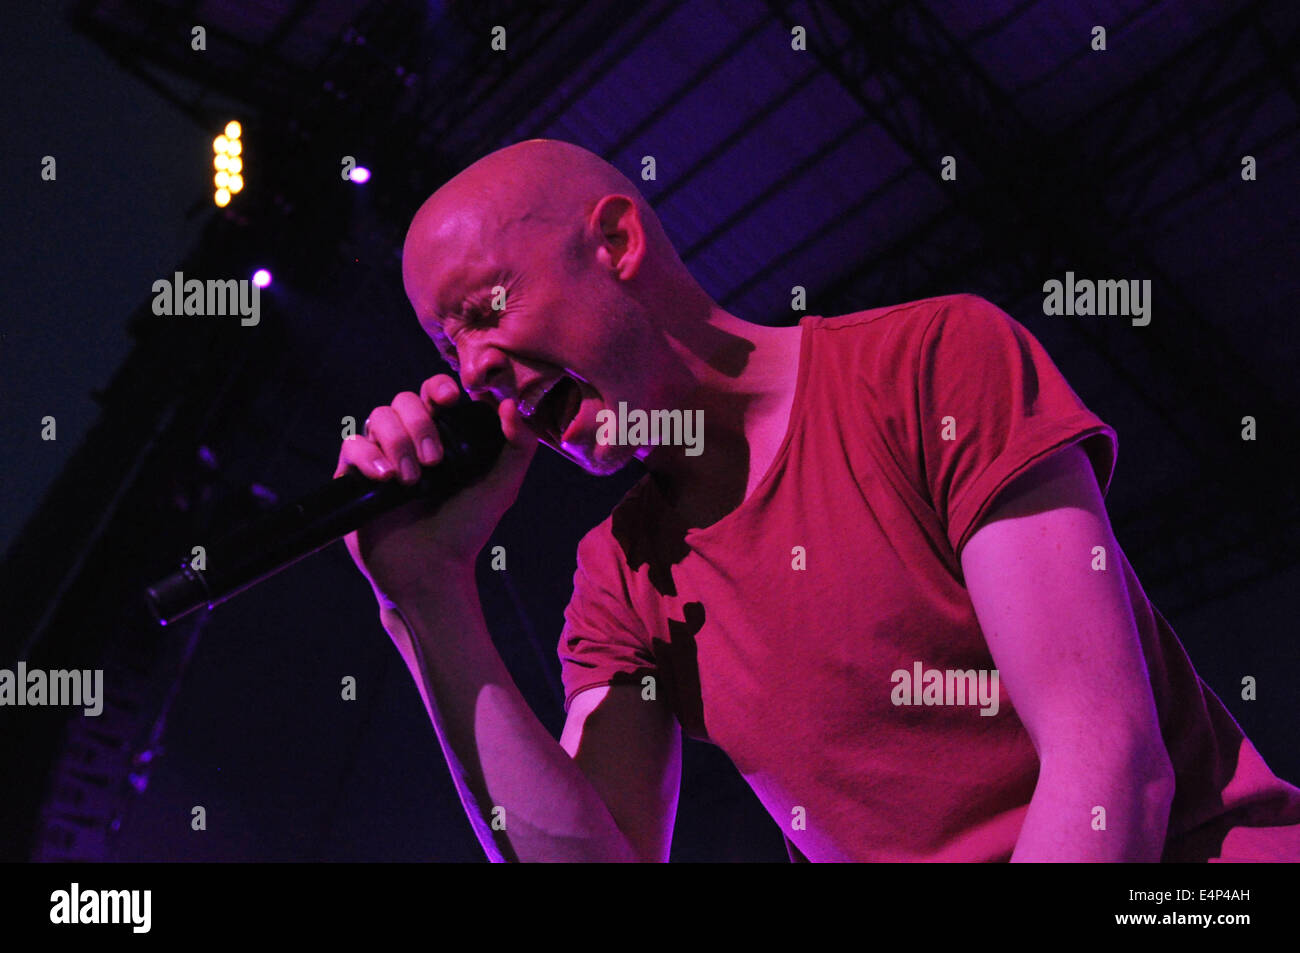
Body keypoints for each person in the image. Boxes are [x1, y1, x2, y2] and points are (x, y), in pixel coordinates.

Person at [333, 138, 1300, 862]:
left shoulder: (931, 364)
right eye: (447, 347)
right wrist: (424, 594)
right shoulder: (620, 576)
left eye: (485, 311)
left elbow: (1112, 767)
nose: (477, 371)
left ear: (616, 241)